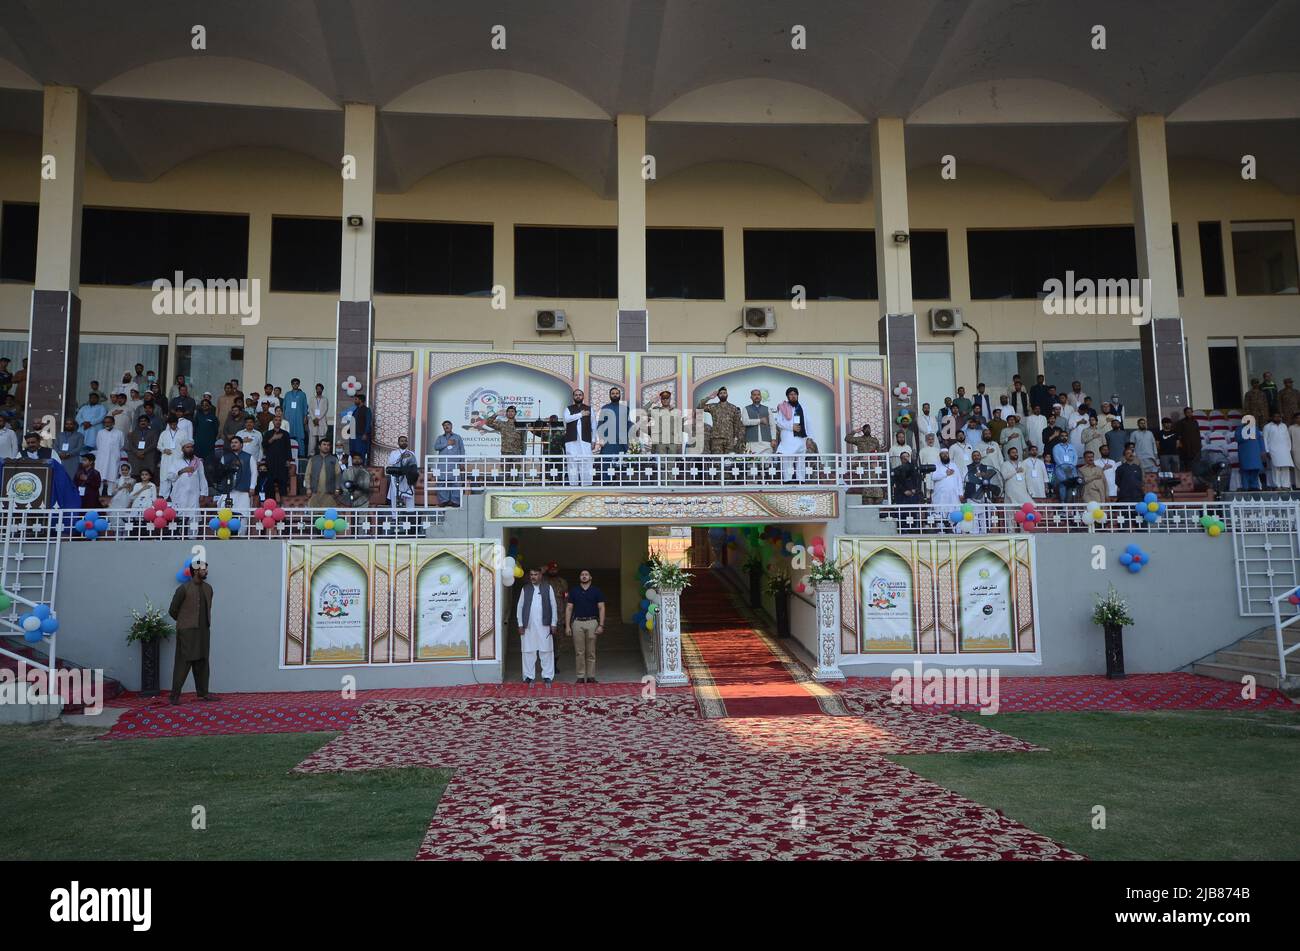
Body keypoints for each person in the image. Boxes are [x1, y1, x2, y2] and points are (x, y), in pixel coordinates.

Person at [167, 560, 220, 704]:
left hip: (204, 630)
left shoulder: (209, 588)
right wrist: (185, 621)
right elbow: (173, 610)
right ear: (196, 571)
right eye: (204, 569)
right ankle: (174, 696)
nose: (206, 572)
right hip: (187, 631)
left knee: (203, 661)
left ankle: (204, 693)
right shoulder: (183, 589)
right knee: (183, 662)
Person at [516, 566, 558, 686]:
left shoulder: (547, 587)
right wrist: (520, 624)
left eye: (535, 574)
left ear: (541, 576)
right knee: (528, 651)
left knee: (546, 651)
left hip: (545, 625)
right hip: (528, 626)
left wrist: (553, 623)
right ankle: (528, 676)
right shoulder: (525, 588)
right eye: (531, 574)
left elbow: (553, 606)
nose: (533, 577)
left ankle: (547, 676)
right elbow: (520, 606)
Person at [565, 568, 606, 684]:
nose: (584, 576)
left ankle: (591, 676)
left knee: (591, 651)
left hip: (592, 622)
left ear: (590, 577)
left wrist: (601, 625)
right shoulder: (574, 591)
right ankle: (580, 676)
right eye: (582, 574)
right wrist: (568, 626)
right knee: (579, 651)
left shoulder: (596, 591)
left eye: (586, 574)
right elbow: (569, 608)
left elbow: (601, 608)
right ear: (579, 578)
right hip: (577, 623)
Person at [697, 386, 743, 455]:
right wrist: (709, 397)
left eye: (724, 393)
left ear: (727, 394)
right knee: (717, 461)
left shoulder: (733, 408)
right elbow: (700, 407)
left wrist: (735, 437)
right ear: (718, 395)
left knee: (728, 462)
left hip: (729, 439)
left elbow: (736, 424)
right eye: (721, 393)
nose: (723, 394)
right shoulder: (713, 407)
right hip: (716, 439)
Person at [168, 440, 208, 520]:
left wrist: (203, 493)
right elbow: (170, 476)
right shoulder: (176, 461)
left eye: (191, 447)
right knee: (179, 517)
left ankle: (193, 533)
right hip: (180, 494)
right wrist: (182, 471)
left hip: (194, 494)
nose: (190, 449)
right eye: (187, 447)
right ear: (182, 449)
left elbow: (202, 478)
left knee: (193, 517)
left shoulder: (198, 462)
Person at [563, 388, 594, 487]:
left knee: (586, 462)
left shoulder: (589, 409)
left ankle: (587, 485)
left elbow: (593, 425)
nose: (578, 396)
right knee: (572, 463)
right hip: (572, 441)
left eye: (580, 395)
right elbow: (567, 419)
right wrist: (581, 414)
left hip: (585, 440)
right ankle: (573, 485)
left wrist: (593, 440)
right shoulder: (568, 409)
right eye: (576, 395)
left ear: (583, 396)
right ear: (573, 397)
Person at [431, 421, 465, 506]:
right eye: (444, 425)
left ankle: (455, 501)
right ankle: (443, 501)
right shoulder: (440, 438)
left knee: (456, 482)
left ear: (451, 426)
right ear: (443, 427)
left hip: (454, 464)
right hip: (442, 464)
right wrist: (447, 443)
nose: (446, 427)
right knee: (441, 482)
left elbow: (462, 450)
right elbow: (436, 447)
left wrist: (462, 462)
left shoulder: (457, 437)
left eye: (448, 425)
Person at [774, 393, 807, 482]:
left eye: (795, 394)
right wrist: (791, 426)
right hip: (788, 438)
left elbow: (807, 423)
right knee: (787, 460)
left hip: (800, 438)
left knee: (800, 461)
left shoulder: (802, 407)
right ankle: (787, 480)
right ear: (787, 396)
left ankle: (801, 480)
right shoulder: (783, 407)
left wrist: (809, 437)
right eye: (791, 394)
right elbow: (779, 422)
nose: (793, 396)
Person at [218, 435, 255, 514]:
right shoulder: (225, 457)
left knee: (242, 514)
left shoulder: (249, 457)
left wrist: (252, 487)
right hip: (228, 490)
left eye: (236, 442)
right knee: (225, 514)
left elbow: (254, 473)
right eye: (232, 443)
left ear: (241, 445)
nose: (233, 444)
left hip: (243, 490)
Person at [303, 437, 343, 507]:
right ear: (319, 446)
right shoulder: (313, 459)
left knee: (328, 515)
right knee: (315, 515)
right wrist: (308, 488)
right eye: (324, 444)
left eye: (328, 445)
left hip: (329, 493)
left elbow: (338, 474)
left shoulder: (333, 459)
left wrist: (337, 489)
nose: (326, 447)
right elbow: (307, 474)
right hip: (314, 492)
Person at [385, 435, 419, 509]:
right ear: (398, 443)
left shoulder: (411, 453)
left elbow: (414, 465)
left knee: (409, 497)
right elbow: (390, 463)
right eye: (402, 441)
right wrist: (401, 457)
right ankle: (394, 517)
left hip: (407, 478)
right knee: (395, 496)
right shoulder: (394, 453)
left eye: (405, 441)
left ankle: (410, 515)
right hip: (396, 477)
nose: (404, 442)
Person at [263, 418, 293, 500]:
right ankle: (269, 505)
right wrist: (273, 438)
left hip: (282, 463)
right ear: (273, 422)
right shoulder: (268, 433)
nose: (278, 422)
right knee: (269, 485)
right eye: (276, 420)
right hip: (270, 463)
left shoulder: (285, 434)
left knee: (283, 485)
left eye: (279, 421)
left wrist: (288, 460)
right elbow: (264, 445)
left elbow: (288, 448)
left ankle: (284, 506)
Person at [95, 414, 125, 491]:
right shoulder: (100, 432)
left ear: (113, 423)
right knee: (100, 474)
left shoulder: (119, 433)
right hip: (102, 457)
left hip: (113, 457)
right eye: (105, 422)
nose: (107, 424)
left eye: (109, 422)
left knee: (112, 474)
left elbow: (121, 445)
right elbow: (98, 444)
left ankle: (110, 493)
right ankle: (99, 492)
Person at [1264, 412, 1294, 490]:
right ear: (1271, 417)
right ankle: (1277, 485)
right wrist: (1267, 451)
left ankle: (1285, 485)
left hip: (1285, 450)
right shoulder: (1267, 427)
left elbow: (1287, 438)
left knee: (1285, 468)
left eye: (1279, 417)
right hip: (1273, 450)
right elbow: (1265, 439)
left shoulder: (1284, 426)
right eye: (1275, 416)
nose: (1277, 418)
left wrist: (1289, 449)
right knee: (1275, 468)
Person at [930, 449, 962, 520]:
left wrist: (960, 493)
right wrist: (945, 474)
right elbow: (933, 477)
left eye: (946, 453)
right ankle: (941, 530)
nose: (945, 455)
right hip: (941, 494)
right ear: (940, 455)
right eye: (943, 454)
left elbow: (959, 479)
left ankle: (954, 530)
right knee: (940, 515)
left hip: (953, 494)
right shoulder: (936, 464)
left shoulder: (954, 465)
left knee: (954, 514)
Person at [157, 414, 186, 486]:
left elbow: (186, 446)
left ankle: (176, 496)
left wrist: (182, 454)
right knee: (165, 477)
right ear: (168, 424)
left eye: (174, 424)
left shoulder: (183, 433)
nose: (173, 426)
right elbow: (159, 445)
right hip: (166, 458)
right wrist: (164, 450)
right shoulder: (164, 433)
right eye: (171, 424)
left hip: (178, 458)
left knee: (177, 477)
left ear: (177, 423)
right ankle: (164, 496)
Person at [742, 389, 773, 454]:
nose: (757, 396)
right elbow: (745, 422)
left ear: (761, 397)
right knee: (752, 463)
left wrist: (774, 439)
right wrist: (760, 420)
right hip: (752, 442)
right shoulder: (746, 408)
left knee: (766, 463)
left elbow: (773, 425)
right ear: (751, 397)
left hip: (766, 441)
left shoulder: (767, 409)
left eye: (758, 395)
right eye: (754, 395)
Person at [282, 379, 308, 451]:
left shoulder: (302, 394)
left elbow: (305, 406)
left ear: (299, 384)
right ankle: (288, 452)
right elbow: (284, 406)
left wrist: (305, 416)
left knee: (300, 435)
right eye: (293, 383)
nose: (295, 385)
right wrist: (283, 417)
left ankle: (301, 453)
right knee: (288, 434)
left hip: (299, 417)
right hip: (288, 417)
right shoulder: (287, 394)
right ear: (291, 384)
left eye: (297, 383)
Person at [347, 394, 371, 463]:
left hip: (360, 436)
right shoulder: (356, 410)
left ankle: (361, 470)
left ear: (360, 400)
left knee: (360, 453)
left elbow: (368, 422)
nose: (354, 401)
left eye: (356, 399)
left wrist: (365, 433)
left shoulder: (367, 410)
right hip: (353, 436)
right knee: (352, 453)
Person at [308, 383, 330, 456]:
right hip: (313, 421)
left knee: (322, 437)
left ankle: (323, 453)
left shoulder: (325, 399)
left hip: (322, 420)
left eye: (320, 389)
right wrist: (314, 418)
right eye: (317, 389)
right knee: (312, 439)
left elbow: (325, 409)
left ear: (322, 390)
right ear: (316, 389)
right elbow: (310, 409)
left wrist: (318, 418)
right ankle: (311, 454)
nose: (318, 390)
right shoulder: (312, 399)